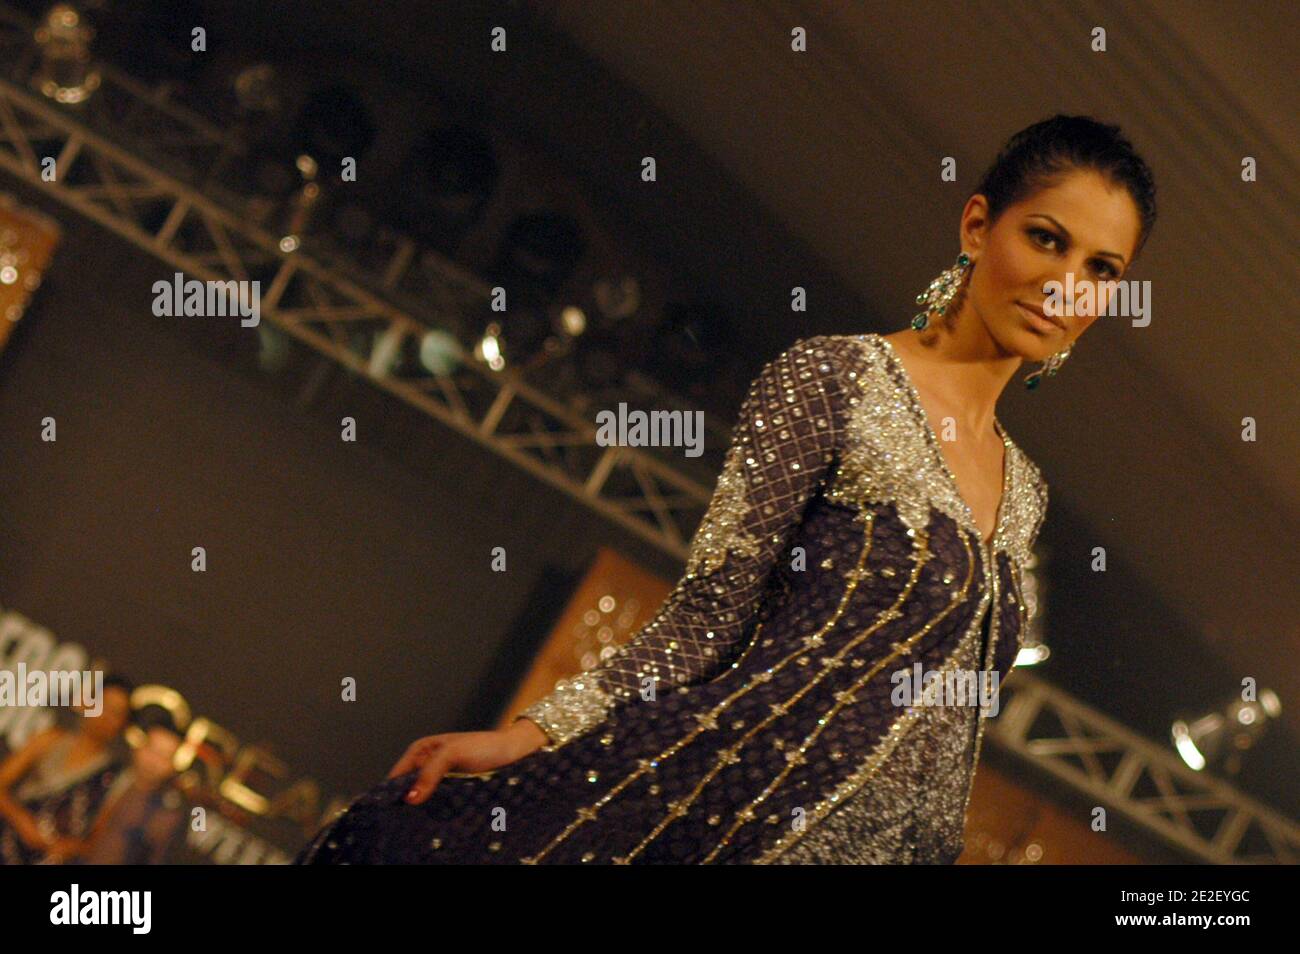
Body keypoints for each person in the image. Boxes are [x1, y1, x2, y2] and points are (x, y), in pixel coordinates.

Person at [296, 114, 1156, 864]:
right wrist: (526, 735)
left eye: (1101, 267)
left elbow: (944, 737)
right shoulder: (836, 380)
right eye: (1046, 238)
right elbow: (705, 618)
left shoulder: (1027, 492)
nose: (1065, 284)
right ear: (977, 224)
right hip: (717, 812)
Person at [0, 674, 133, 864]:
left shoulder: (113, 778)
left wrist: (64, 846)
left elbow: (97, 840)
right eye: (102, 704)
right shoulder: (50, 740)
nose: (105, 716)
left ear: (123, 725)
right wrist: (21, 820)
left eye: (116, 713)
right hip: (7, 837)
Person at [65, 704, 186, 865]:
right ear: (138, 746)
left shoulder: (166, 815)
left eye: (164, 756)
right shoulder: (101, 777)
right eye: (152, 749)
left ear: (173, 766)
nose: (153, 761)